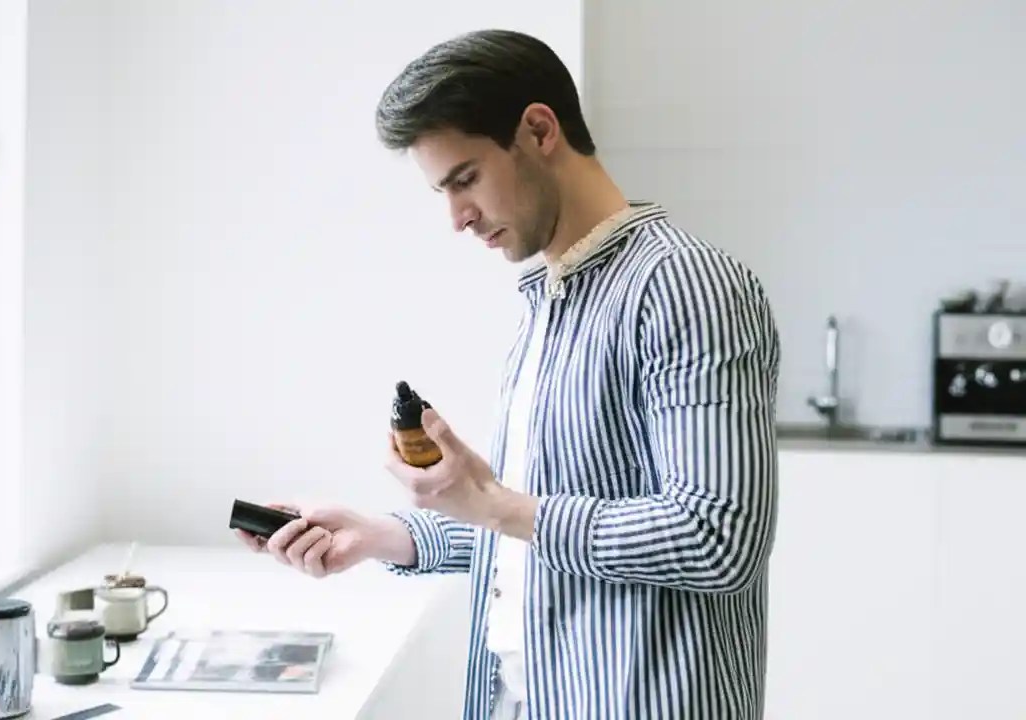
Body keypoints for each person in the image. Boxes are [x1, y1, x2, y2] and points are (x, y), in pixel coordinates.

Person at [235, 28, 781, 720]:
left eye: (465, 179)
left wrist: (495, 504)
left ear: (539, 129)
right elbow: (536, 531)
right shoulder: (546, 307)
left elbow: (716, 539)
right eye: (442, 191)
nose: (458, 217)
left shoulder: (685, 286)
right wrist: (377, 536)